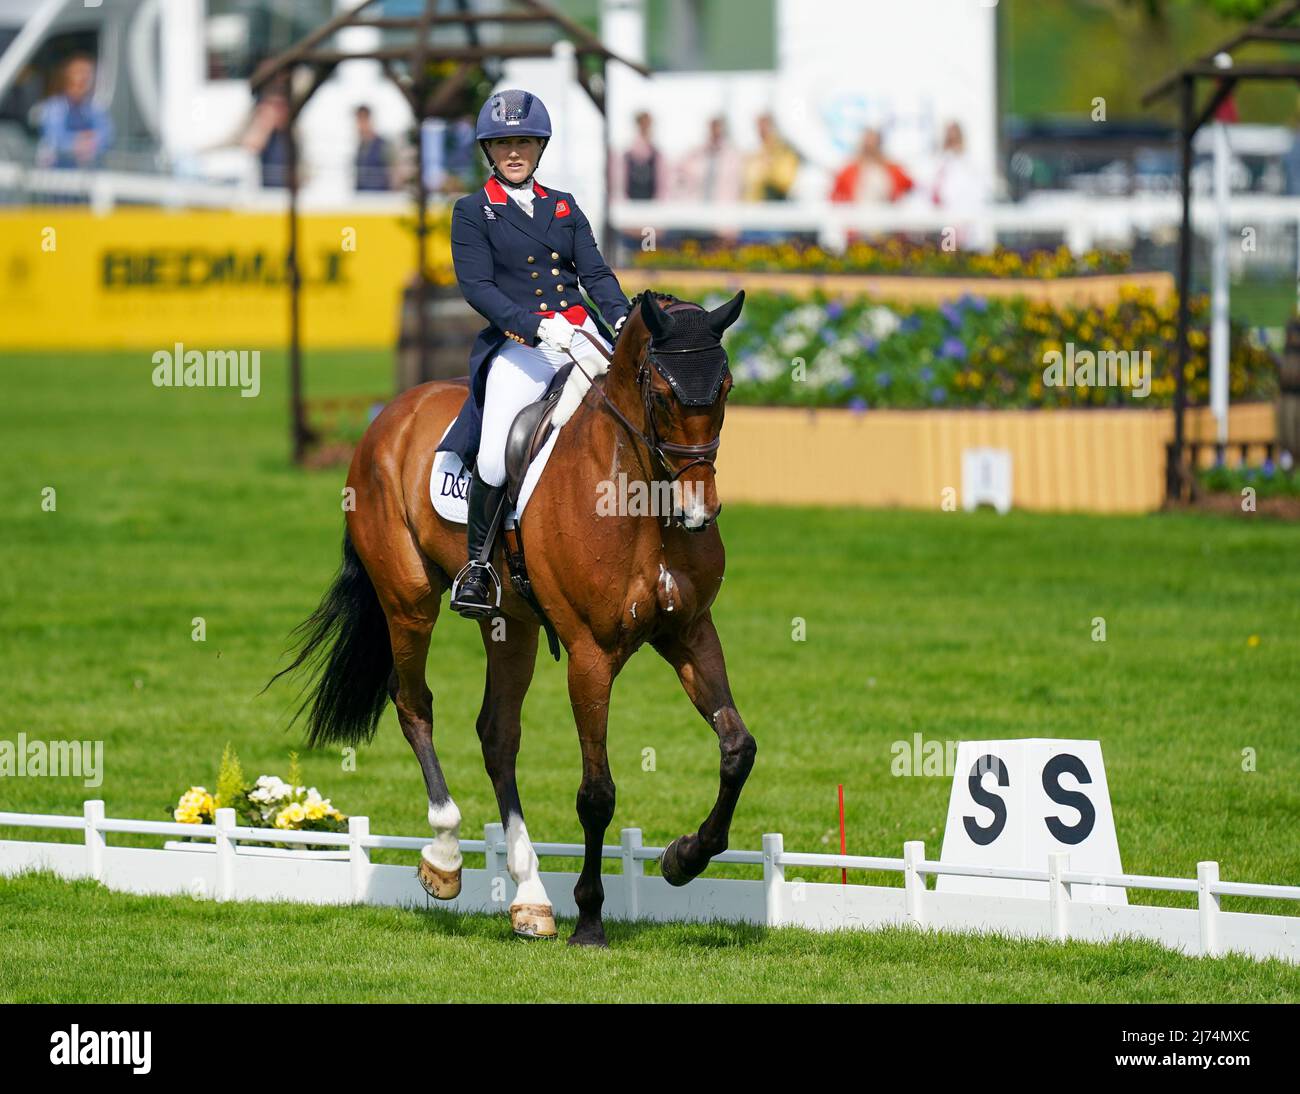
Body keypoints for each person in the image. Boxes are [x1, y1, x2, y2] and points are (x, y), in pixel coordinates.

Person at [439, 89, 632, 618]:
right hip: (522, 346)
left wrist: (618, 318)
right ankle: (477, 567)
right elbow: (478, 288)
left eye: (523, 141)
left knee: (635, 416)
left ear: (539, 146)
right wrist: (536, 326)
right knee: (497, 450)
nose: (514, 152)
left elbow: (593, 272)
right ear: (490, 151)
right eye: (504, 144)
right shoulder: (473, 211)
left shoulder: (563, 206)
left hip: (582, 336)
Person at [36, 54, 113, 169]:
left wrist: (88, 144)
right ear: (67, 81)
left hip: (86, 175)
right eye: (76, 83)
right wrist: (82, 140)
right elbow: (55, 139)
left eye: (84, 82)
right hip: (56, 176)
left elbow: (107, 136)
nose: (80, 87)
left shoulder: (94, 108)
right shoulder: (53, 108)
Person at [830, 128, 913, 204]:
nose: (870, 145)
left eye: (873, 142)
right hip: (856, 214)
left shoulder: (892, 168)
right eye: (867, 142)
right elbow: (835, 194)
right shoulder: (849, 170)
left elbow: (909, 185)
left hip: (887, 213)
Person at [673, 116, 743, 203]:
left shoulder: (733, 156)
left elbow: (737, 185)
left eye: (718, 128)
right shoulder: (695, 153)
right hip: (697, 205)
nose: (715, 131)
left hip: (723, 207)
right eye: (713, 127)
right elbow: (677, 173)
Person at [743, 113, 800, 201]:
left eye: (764, 126)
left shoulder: (784, 151)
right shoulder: (755, 152)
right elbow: (749, 179)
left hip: (775, 204)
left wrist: (769, 170)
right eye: (759, 127)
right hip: (755, 205)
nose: (761, 130)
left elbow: (786, 181)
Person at [242, 90, 292, 189]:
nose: (278, 112)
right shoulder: (260, 130)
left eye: (281, 107)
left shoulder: (293, 133)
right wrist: (264, 126)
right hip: (263, 196)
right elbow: (248, 150)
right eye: (274, 107)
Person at [621, 110, 662, 199]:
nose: (647, 127)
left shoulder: (655, 152)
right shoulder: (629, 152)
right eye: (644, 124)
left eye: (648, 124)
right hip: (632, 200)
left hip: (652, 201)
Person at [354, 105, 392, 192]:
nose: (359, 125)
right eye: (358, 120)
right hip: (362, 198)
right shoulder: (360, 146)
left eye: (363, 119)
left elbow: (392, 174)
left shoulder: (383, 145)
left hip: (380, 197)